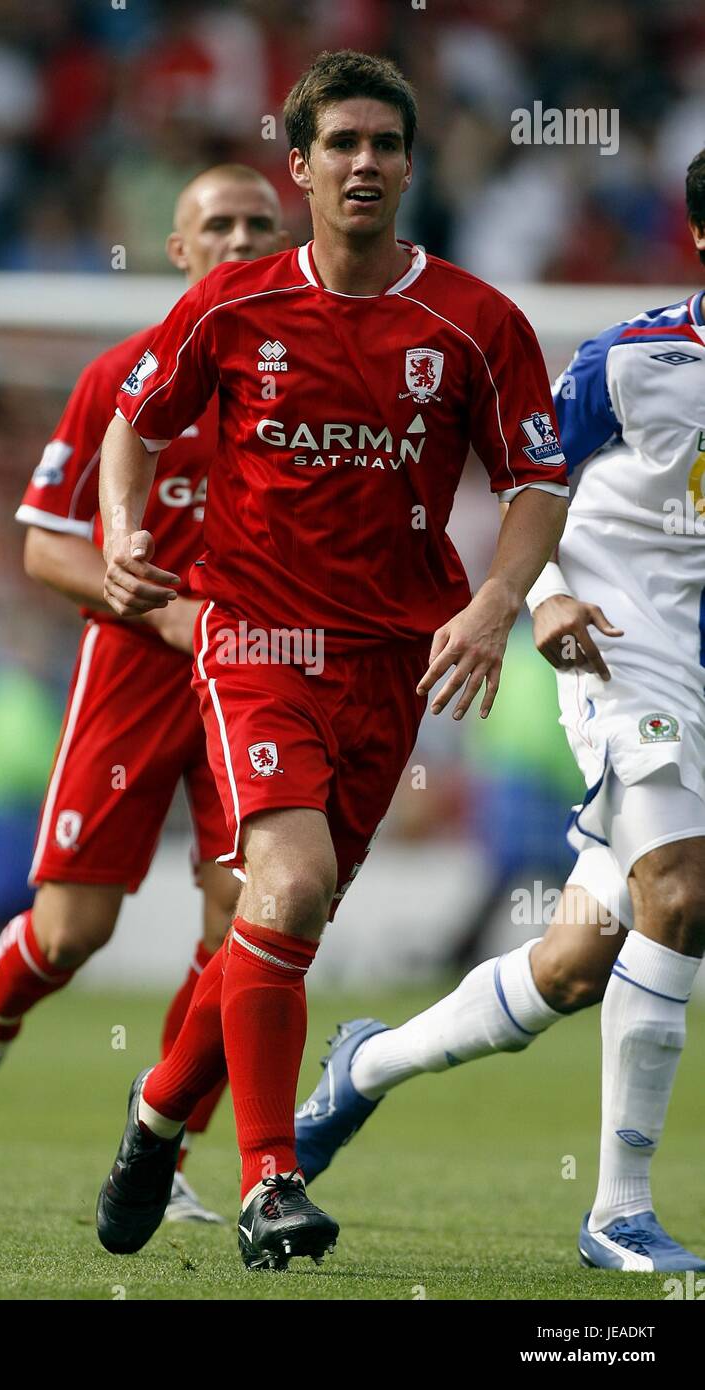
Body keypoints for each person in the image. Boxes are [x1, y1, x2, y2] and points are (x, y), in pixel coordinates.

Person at [96, 49, 568, 1270]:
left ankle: (157, 1111)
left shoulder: (474, 322)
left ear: (407, 167)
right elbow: (132, 423)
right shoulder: (232, 303)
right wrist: (121, 533)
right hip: (253, 639)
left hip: (390, 666)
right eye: (341, 144)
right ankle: (269, 1179)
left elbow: (533, 480)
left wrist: (496, 601)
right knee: (290, 882)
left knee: (278, 921)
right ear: (298, 167)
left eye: (384, 144)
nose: (364, 163)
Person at [295, 146, 705, 1275]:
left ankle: (363, 1067)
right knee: (681, 892)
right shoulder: (634, 360)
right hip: (622, 651)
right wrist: (545, 592)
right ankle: (617, 1212)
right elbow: (527, 475)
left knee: (573, 966)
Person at [0, 164, 287, 1225]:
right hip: (134, 668)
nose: (237, 239)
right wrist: (158, 610)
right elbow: (44, 546)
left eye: (256, 225)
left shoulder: (301, 386)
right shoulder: (122, 376)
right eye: (215, 225)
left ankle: (161, 1149)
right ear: (178, 249)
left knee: (249, 917)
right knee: (73, 931)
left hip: (253, 673)